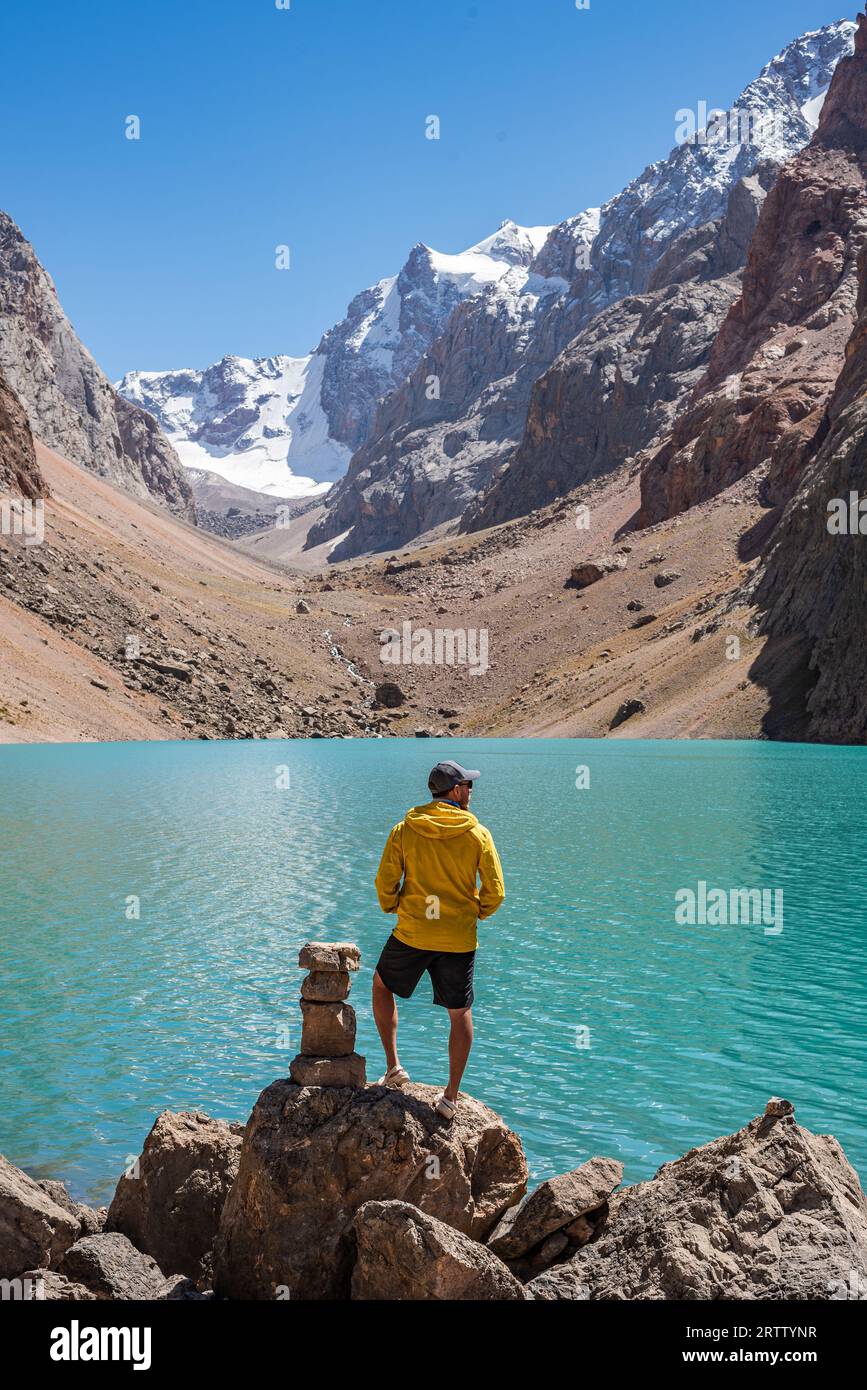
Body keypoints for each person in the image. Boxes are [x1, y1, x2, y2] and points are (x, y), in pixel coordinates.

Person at [372, 759, 505, 1121]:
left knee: (382, 985)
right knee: (459, 1012)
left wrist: (394, 906)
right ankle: (449, 1098)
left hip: (413, 930)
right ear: (457, 791)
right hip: (458, 938)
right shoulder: (478, 835)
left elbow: (385, 883)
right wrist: (476, 913)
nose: (472, 792)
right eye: (469, 786)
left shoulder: (405, 829)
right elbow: (495, 892)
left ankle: (394, 1066)